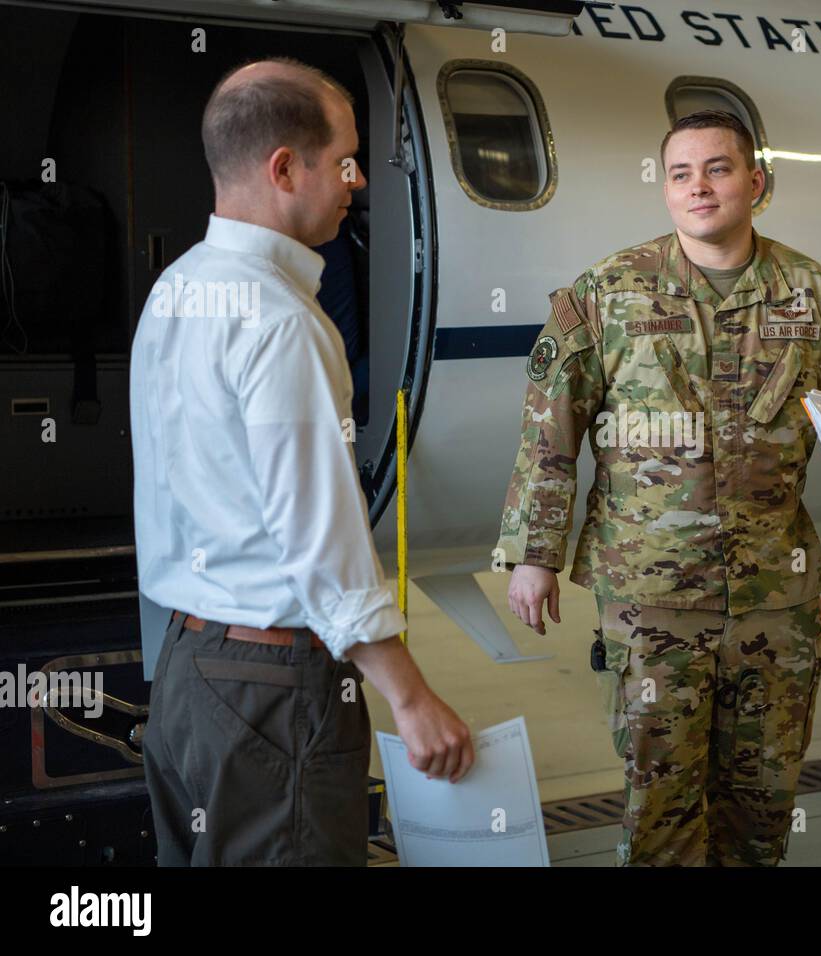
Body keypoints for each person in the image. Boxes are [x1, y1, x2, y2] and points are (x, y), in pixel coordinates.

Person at [497, 110, 821, 866]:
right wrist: (534, 553)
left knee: (760, 812)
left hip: (775, 597)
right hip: (650, 596)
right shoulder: (605, 293)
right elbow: (549, 435)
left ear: (756, 181)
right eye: (681, 173)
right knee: (660, 812)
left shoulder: (813, 295)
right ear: (665, 189)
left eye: (718, 168)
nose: (700, 187)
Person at [131, 57, 473, 866]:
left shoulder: (178, 288)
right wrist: (411, 696)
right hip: (274, 689)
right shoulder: (282, 320)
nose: (356, 181)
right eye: (345, 160)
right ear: (286, 168)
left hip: (188, 674)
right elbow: (318, 537)